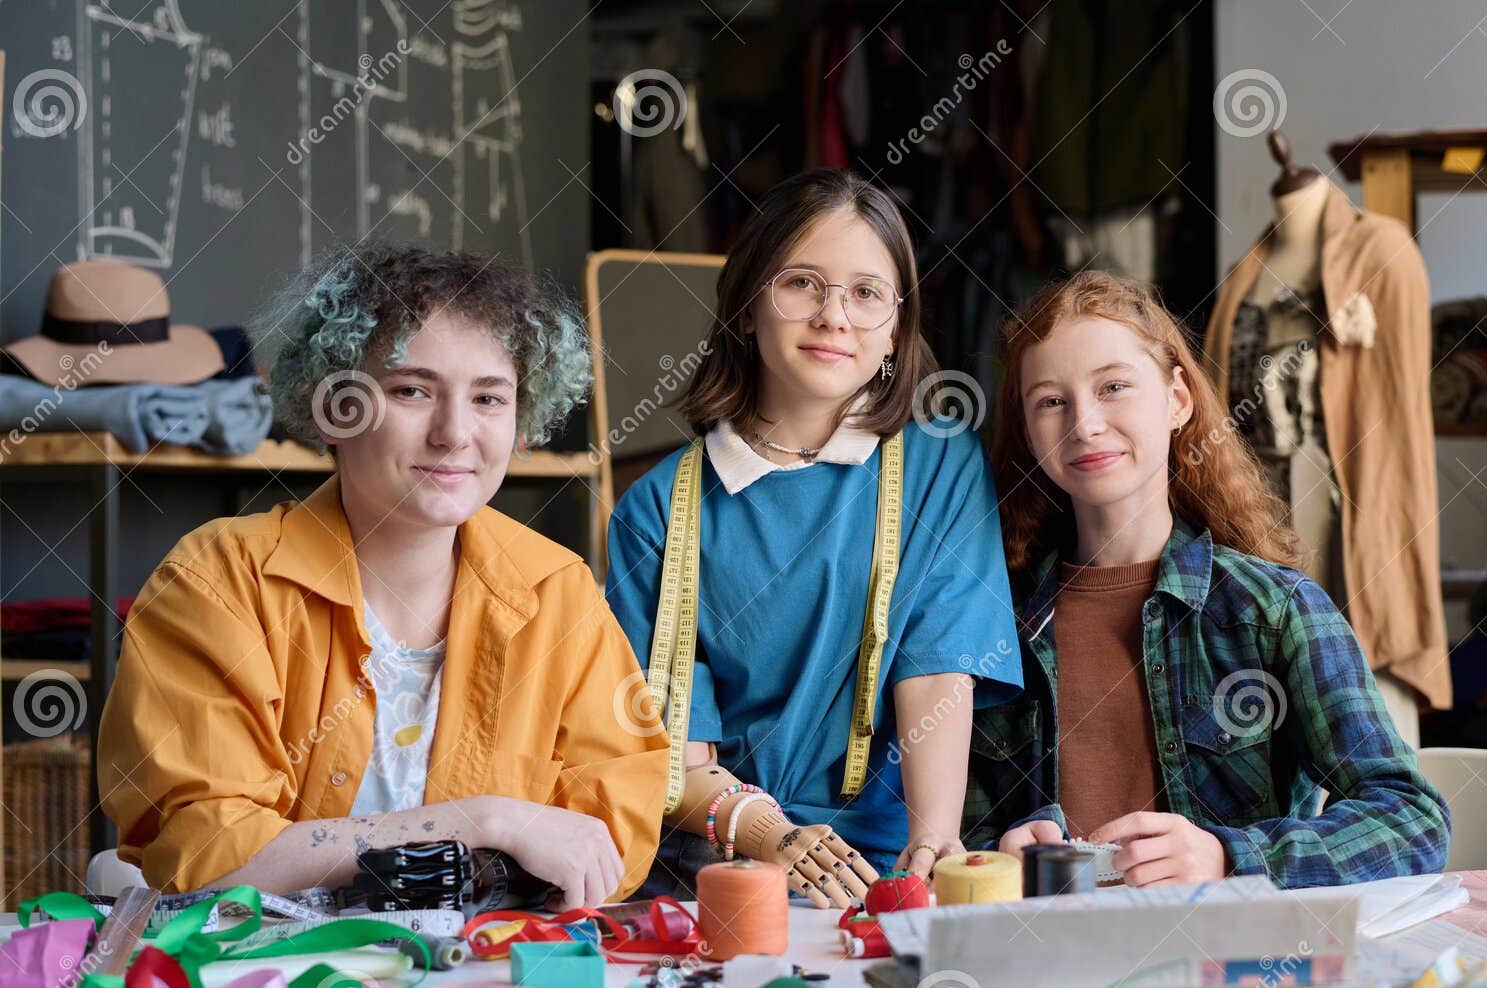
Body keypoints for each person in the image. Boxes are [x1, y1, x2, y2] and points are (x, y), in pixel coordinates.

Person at [98, 244, 669, 906]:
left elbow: (610, 834)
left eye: (489, 397)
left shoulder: (556, 590)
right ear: (334, 405)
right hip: (266, 981)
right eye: (411, 391)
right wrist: (484, 823)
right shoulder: (219, 582)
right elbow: (211, 855)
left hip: (482, 975)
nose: (455, 433)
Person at [605, 169, 1023, 908]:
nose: (835, 316)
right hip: (720, 868)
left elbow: (937, 668)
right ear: (745, 306)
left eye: (866, 293)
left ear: (895, 326)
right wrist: (777, 840)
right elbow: (672, 756)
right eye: (802, 283)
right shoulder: (657, 509)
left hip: (891, 866)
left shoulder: (941, 463)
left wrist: (933, 840)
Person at [966, 270, 1449, 888]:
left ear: (1177, 400)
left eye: (1113, 386)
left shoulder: (1276, 610)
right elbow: (945, 836)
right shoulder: (990, 620)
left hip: (1232, 964)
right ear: (1029, 430)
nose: (1084, 423)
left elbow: (1412, 821)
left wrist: (1227, 856)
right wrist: (996, 854)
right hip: (1053, 957)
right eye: (1051, 401)